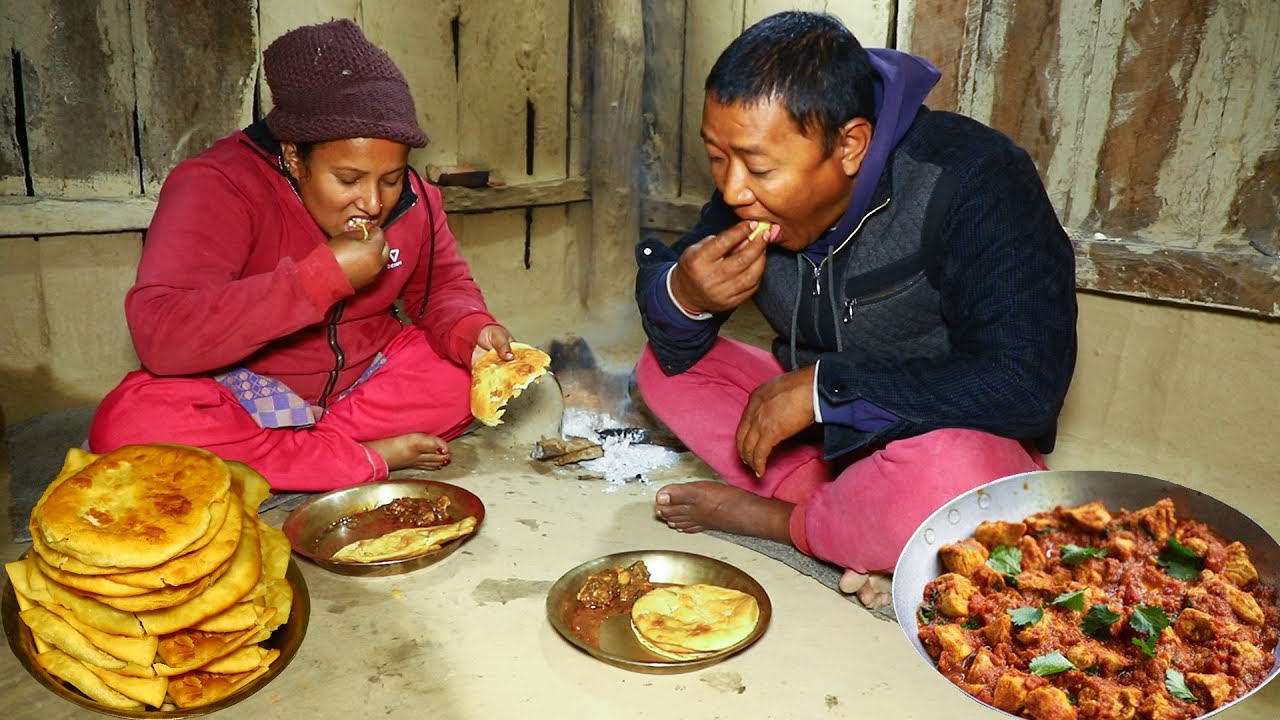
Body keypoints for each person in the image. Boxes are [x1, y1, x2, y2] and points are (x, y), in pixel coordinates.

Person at [633, 11, 1077, 607]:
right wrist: (685, 294)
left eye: (759, 168)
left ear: (849, 145)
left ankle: (784, 522)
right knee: (664, 366)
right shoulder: (747, 185)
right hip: (817, 436)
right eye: (717, 157)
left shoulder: (976, 178)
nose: (734, 189)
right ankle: (860, 523)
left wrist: (825, 389)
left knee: (956, 481)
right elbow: (676, 300)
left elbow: (1025, 384)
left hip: (934, 438)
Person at [89, 19, 518, 492]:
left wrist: (468, 331)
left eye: (391, 179)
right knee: (130, 422)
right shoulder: (216, 185)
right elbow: (162, 336)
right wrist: (319, 277)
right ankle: (351, 457)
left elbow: (442, 292)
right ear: (294, 156)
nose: (374, 203)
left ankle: (294, 456)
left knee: (463, 378)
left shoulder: (417, 199)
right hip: (243, 391)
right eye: (349, 180)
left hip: (361, 384)